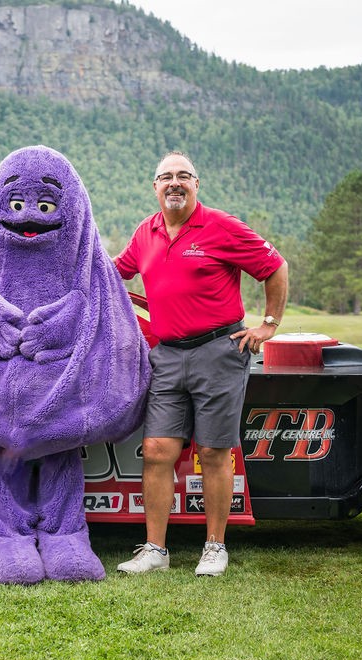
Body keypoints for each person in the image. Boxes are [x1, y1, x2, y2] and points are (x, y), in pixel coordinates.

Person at [113, 152, 288, 577]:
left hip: (218, 351)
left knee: (212, 451)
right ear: (154, 187)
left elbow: (275, 267)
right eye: (166, 177)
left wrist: (268, 325)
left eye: (183, 177)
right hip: (169, 355)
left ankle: (214, 547)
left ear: (196, 184)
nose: (174, 184)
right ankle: (155, 549)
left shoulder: (221, 226)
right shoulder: (146, 231)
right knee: (157, 451)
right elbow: (115, 271)